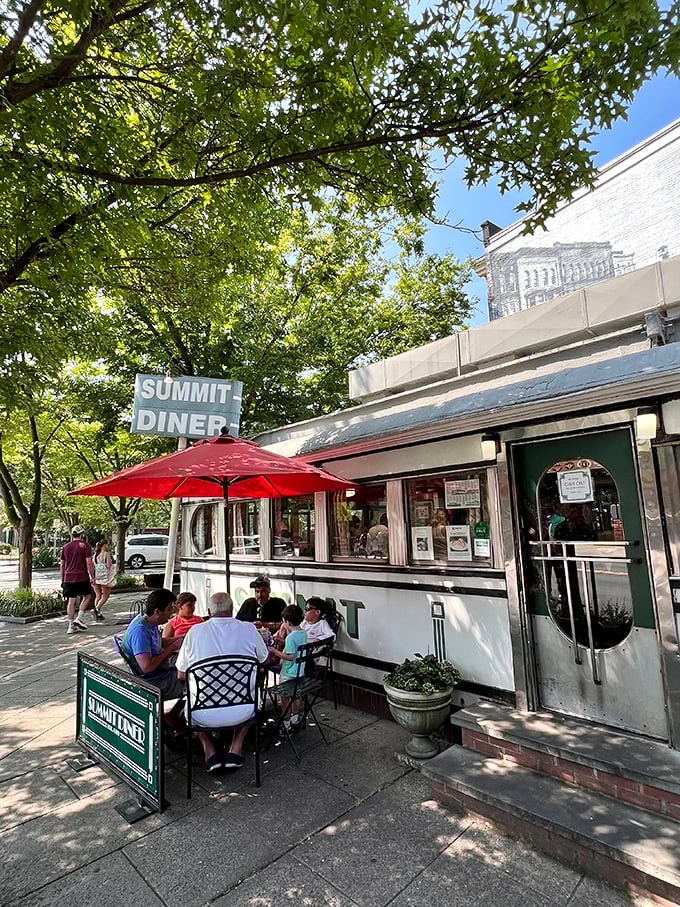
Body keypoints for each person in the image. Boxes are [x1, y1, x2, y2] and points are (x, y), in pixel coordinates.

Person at [176, 591, 268, 773]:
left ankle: (210, 752)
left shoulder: (195, 632)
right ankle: (236, 747)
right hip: (243, 709)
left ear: (209, 611)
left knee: (190, 698)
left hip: (202, 714)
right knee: (254, 693)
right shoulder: (249, 629)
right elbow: (264, 661)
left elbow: (181, 674)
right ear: (232, 610)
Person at [122, 588, 184, 700]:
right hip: (153, 680)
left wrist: (182, 638)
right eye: (169, 609)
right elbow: (147, 667)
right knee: (191, 678)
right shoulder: (140, 631)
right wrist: (172, 648)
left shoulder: (150, 622)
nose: (171, 613)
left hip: (160, 669)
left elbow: (158, 643)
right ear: (157, 612)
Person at [267, 604, 307, 730]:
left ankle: (286, 724)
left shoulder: (290, 637)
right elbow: (296, 649)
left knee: (285, 699)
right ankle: (295, 720)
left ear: (287, 621)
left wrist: (274, 651)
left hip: (288, 672)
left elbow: (290, 656)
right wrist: (284, 643)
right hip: (299, 672)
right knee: (296, 696)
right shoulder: (303, 633)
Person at [61, 525, 95, 635]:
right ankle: (79, 618)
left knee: (71, 601)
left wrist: (63, 578)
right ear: (81, 534)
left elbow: (62, 565)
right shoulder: (86, 546)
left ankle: (70, 626)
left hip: (68, 577)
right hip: (82, 576)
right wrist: (93, 576)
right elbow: (89, 563)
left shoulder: (65, 547)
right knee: (87, 596)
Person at [92, 538, 115, 621]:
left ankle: (98, 614)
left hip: (96, 577)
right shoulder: (106, 554)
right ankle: (96, 609)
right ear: (105, 545)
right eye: (108, 544)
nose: (108, 546)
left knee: (98, 595)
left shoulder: (95, 555)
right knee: (106, 595)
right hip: (105, 578)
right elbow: (108, 565)